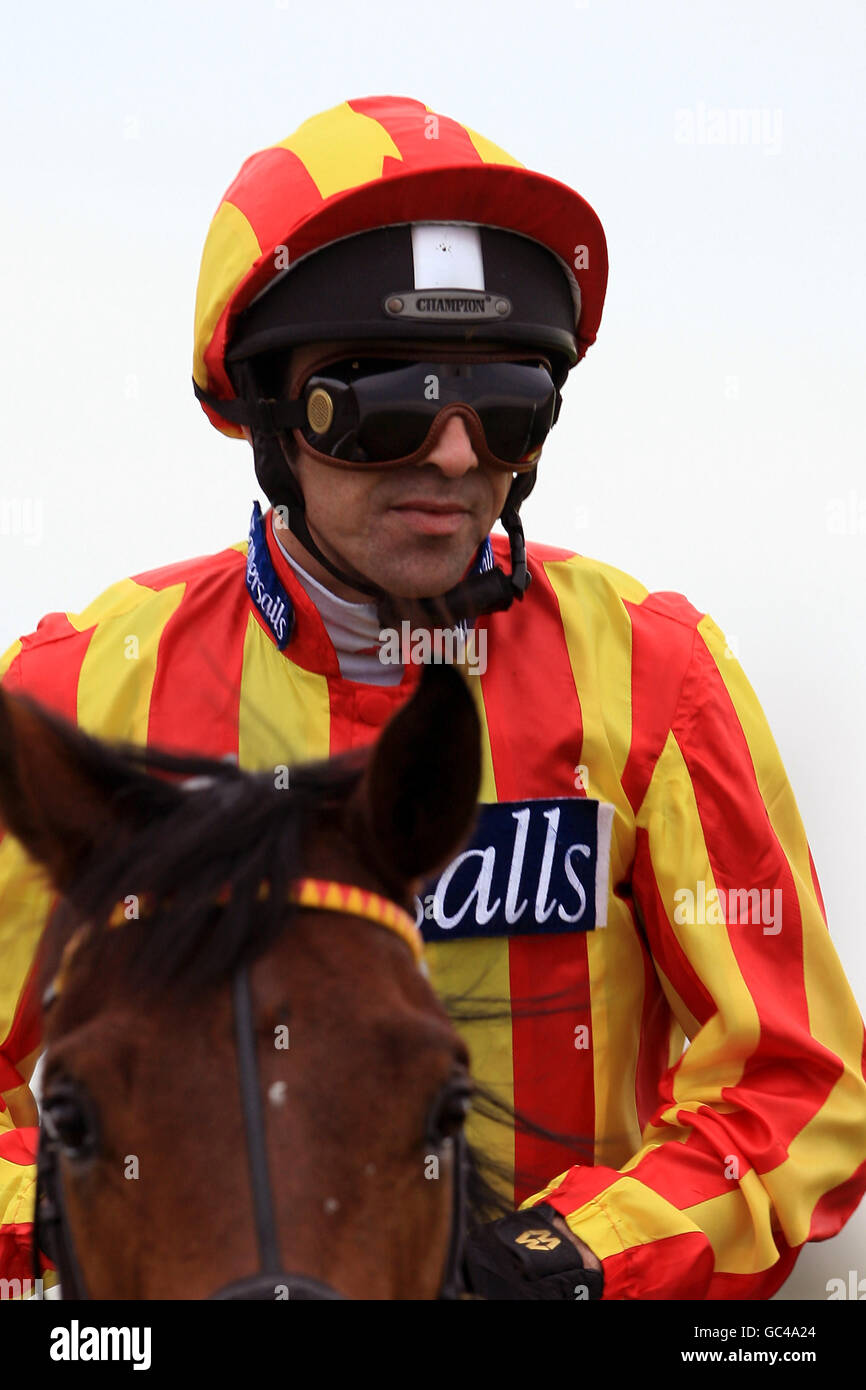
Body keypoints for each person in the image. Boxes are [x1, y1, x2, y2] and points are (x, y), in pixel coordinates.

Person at [1, 94, 864, 1300]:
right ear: (266, 415)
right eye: (387, 403)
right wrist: (108, 1205)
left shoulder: (661, 675)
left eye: (507, 403)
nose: (457, 455)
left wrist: (564, 1267)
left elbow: (798, 1085)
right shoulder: (77, 689)